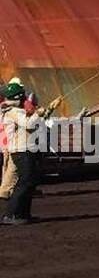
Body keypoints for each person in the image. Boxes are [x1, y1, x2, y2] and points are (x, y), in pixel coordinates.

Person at [2, 88, 44, 225]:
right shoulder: (12, 112)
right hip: (21, 151)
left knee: (30, 183)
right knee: (24, 183)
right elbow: (29, 123)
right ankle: (12, 214)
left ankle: (23, 214)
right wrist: (37, 113)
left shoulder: (15, 111)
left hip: (26, 149)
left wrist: (40, 113)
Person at [0, 79, 26, 201]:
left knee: (10, 169)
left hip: (8, 143)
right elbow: (27, 123)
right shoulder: (13, 111)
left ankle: (5, 191)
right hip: (11, 144)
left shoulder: (6, 109)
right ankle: (5, 191)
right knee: (11, 170)